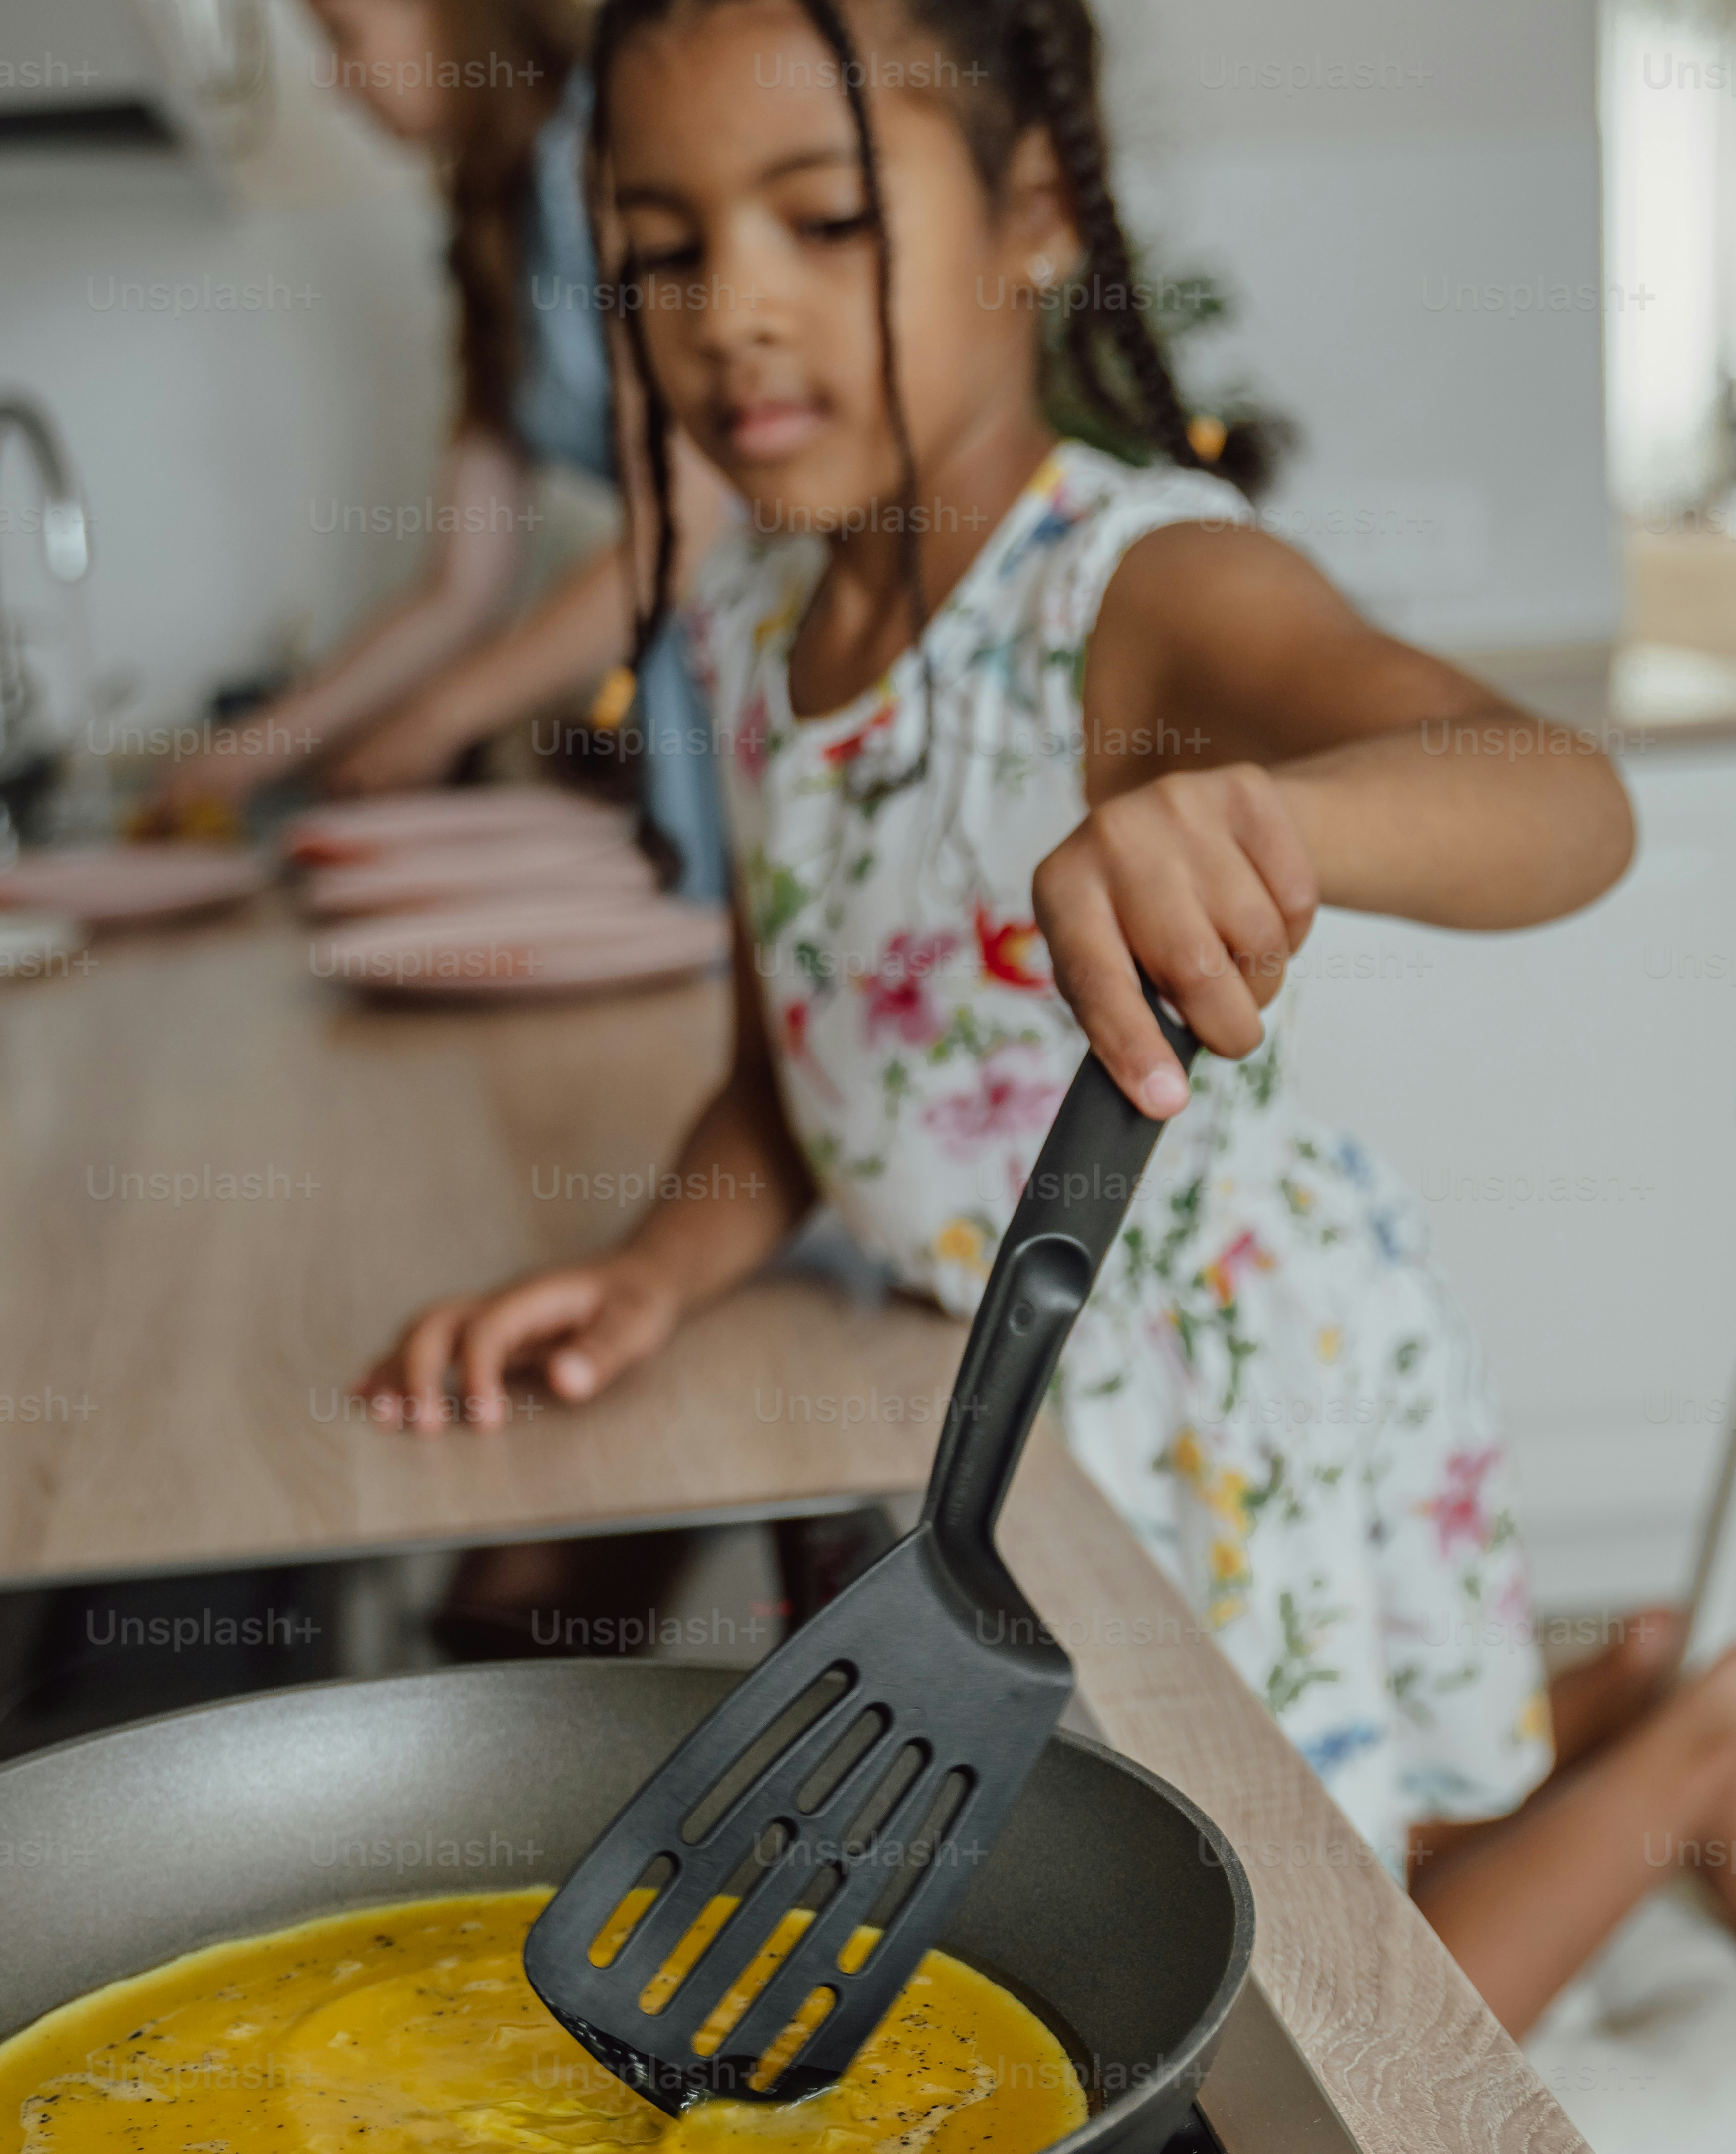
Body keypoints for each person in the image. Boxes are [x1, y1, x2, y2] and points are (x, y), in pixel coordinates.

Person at [352, 0, 1736, 2039]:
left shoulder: (1134, 590)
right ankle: (1599, 1705)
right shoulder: (746, 631)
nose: (734, 310)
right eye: (661, 249)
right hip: (997, 1416)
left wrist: (1275, 819)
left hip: (1215, 1402)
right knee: (1202, 1882)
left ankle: (1692, 1746)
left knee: (1303, 2005)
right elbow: (792, 1077)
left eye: (825, 221)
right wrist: (652, 1271)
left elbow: (1560, 802)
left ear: (1029, 221)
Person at [149, 0, 733, 895]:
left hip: (745, 672)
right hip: (685, 699)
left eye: (346, 37)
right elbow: (460, 587)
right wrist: (241, 759)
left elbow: (683, 533)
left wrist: (440, 716)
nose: (337, 82)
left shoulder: (612, 149)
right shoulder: (502, 220)